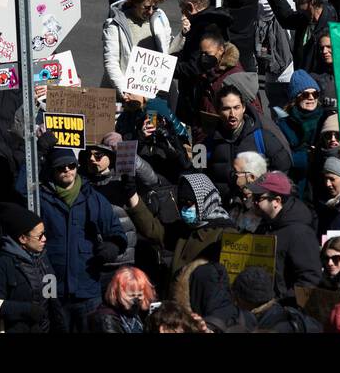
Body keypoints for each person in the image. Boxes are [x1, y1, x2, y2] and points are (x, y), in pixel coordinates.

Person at [126, 172, 242, 326]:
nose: (184, 209)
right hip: (177, 312)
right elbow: (153, 229)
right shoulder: (185, 229)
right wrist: (132, 196)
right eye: (182, 203)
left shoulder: (225, 234)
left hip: (204, 316)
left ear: (204, 202)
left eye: (189, 203)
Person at [34, 147, 127, 331]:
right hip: (53, 289)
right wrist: (37, 151)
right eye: (61, 167)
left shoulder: (93, 197)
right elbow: (21, 190)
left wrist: (113, 246)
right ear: (52, 170)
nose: (67, 170)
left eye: (71, 165)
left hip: (87, 287)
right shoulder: (41, 198)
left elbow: (117, 233)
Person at [202, 82, 293, 203]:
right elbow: (198, 174)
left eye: (236, 107)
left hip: (256, 209)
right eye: (226, 109)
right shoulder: (207, 142)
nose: (232, 114)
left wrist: (260, 187)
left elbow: (284, 167)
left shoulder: (262, 137)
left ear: (244, 108)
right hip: (222, 210)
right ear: (218, 110)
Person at [82, 132, 158, 276]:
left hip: (124, 259)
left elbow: (151, 179)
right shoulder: (83, 183)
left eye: (98, 155)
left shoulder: (122, 179)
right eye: (89, 156)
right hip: (93, 258)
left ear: (110, 157)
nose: (92, 159)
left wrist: (125, 152)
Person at [0, 203, 64, 333]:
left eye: (44, 233)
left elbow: (53, 301)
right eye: (39, 236)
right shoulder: (3, 263)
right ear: (22, 238)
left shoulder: (43, 259)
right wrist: (27, 310)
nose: (44, 239)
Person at [248, 170, 323, 296]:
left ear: (277, 201)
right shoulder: (265, 225)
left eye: (258, 198)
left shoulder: (300, 233)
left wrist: (282, 303)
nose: (253, 202)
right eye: (253, 197)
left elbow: (310, 279)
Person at [102, 0, 173, 102]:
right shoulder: (114, 25)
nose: (150, 11)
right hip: (126, 96)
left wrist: (183, 35)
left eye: (153, 7)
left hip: (153, 94)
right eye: (146, 7)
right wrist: (125, 92)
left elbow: (168, 50)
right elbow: (111, 63)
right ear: (135, 2)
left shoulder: (159, 18)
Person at [268, 0, 339, 75]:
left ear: (311, 1)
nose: (294, 0)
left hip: (317, 84)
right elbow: (287, 19)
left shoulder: (329, 26)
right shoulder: (306, 16)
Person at [276, 70, 330, 197]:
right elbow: (282, 156)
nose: (311, 98)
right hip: (296, 184)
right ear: (295, 98)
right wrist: (306, 157)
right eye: (306, 94)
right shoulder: (283, 123)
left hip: (322, 184)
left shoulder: (325, 119)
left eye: (315, 94)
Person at [232, 266, 322, 332]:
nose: (235, 301)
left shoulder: (267, 327)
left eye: (237, 297)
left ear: (245, 300)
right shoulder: (289, 313)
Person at [91, 265, 156, 333]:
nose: (136, 300)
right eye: (131, 295)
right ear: (118, 293)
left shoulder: (136, 311)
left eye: (140, 295)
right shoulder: (106, 319)